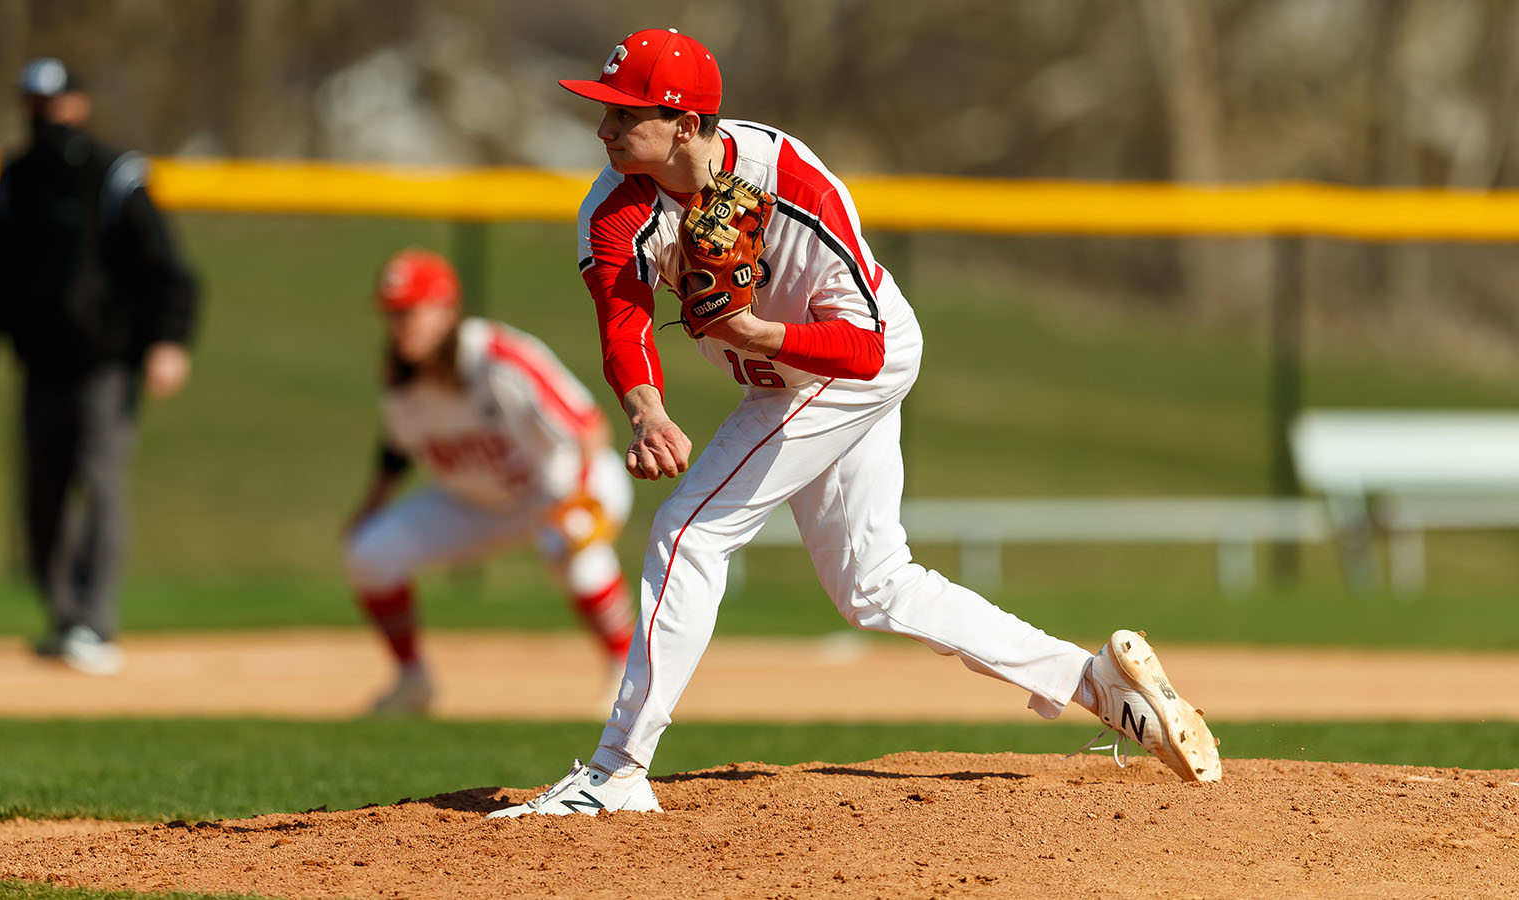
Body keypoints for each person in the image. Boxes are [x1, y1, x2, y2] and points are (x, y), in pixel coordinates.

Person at [489, 28, 1221, 817]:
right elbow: (622, 321)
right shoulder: (611, 208)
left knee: (692, 532)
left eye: (623, 116)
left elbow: (867, 350)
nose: (602, 130)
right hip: (782, 379)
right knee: (872, 585)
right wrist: (648, 409)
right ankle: (1094, 683)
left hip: (852, 362)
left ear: (685, 125)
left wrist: (753, 335)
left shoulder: (791, 181)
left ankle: (617, 770)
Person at [0, 57, 198, 676]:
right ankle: (65, 618)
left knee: (99, 487)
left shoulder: (116, 175)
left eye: (55, 104)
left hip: (106, 364)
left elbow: (167, 267)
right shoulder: (15, 178)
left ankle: (94, 623)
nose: (46, 118)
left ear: (80, 105)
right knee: (40, 499)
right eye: (35, 107)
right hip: (39, 363)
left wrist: (168, 340)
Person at [343, 247, 636, 715]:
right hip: (474, 501)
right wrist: (372, 502)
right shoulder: (400, 376)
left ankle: (628, 674)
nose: (398, 325)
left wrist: (580, 496)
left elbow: (589, 426)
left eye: (408, 313)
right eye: (391, 315)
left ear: (445, 309)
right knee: (368, 553)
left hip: (561, 483)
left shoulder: (500, 357)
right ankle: (413, 682)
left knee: (574, 548)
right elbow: (397, 448)